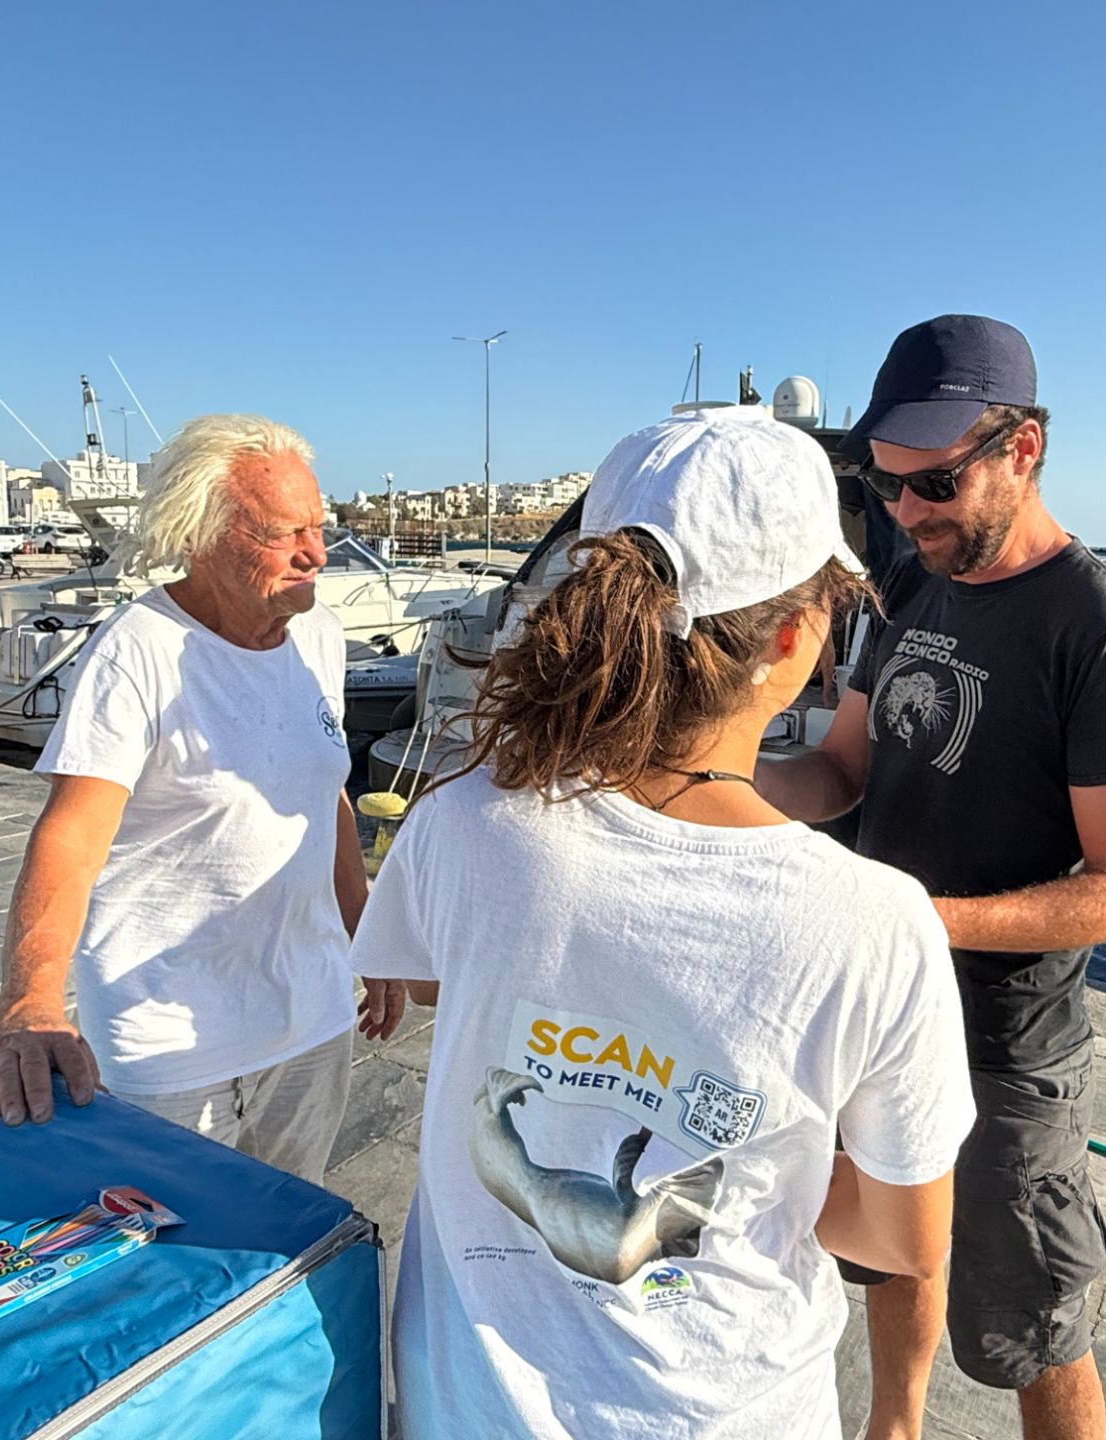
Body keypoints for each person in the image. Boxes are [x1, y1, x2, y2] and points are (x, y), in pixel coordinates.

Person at [348, 407, 977, 1439]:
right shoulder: (872, 921)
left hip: (460, 1402)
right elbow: (903, 1236)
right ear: (793, 637)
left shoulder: (462, 818)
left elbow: (429, 983)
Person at [759, 316, 1106, 1440]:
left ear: (1024, 448)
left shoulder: (1104, 635)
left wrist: (913, 920)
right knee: (889, 1251)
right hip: (878, 1018)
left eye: (935, 482)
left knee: (1035, 1328)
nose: (906, 512)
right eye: (886, 485)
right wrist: (709, 780)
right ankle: (892, 1428)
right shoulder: (906, 585)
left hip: (1008, 1041)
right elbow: (841, 767)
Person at [0, 413, 405, 1183]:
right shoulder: (139, 647)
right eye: (283, 535)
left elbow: (323, 796)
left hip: (312, 1022)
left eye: (319, 525)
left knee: (286, 1236)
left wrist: (370, 939)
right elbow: (71, 838)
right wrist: (30, 1001)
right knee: (166, 1259)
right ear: (199, 535)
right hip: (169, 1040)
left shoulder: (321, 636)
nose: (317, 554)